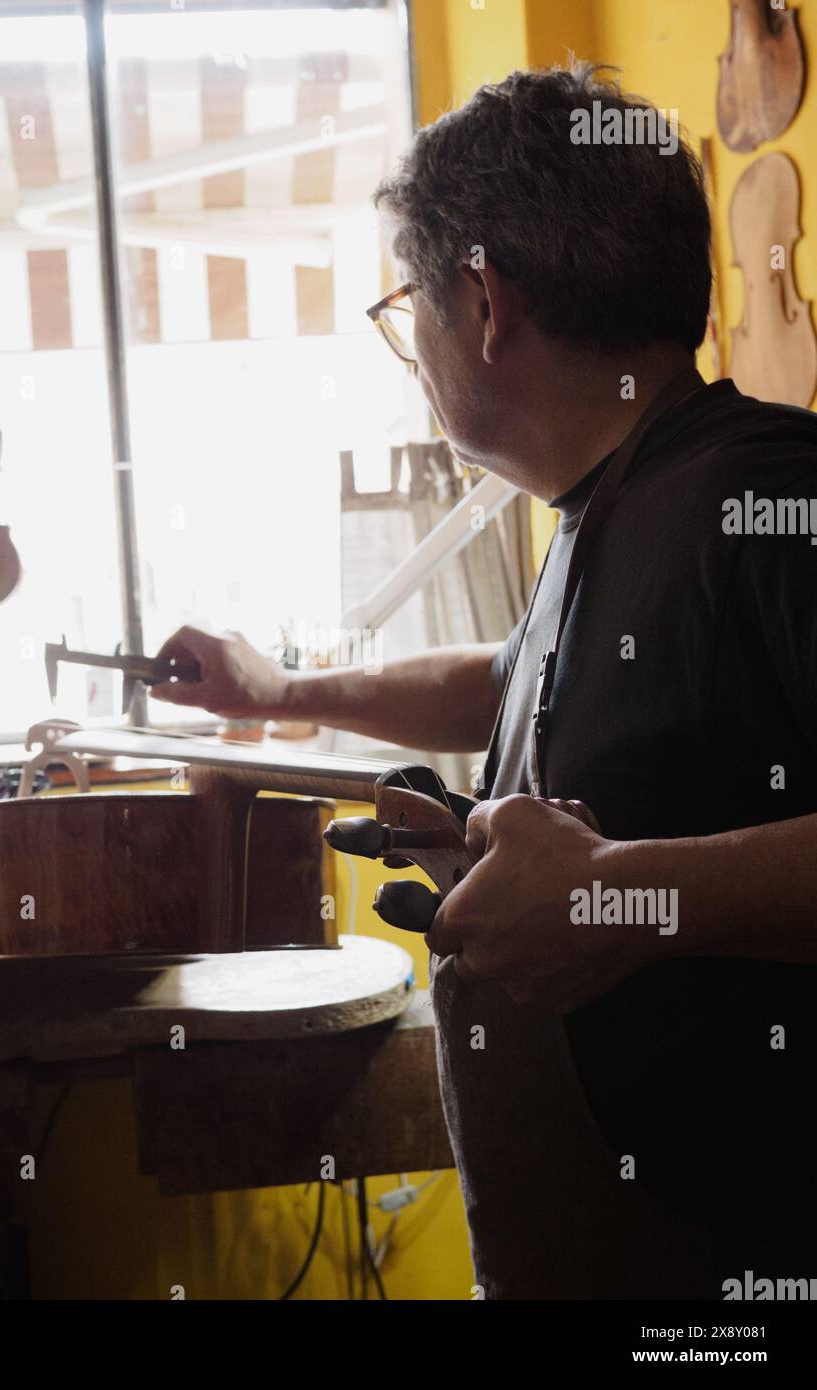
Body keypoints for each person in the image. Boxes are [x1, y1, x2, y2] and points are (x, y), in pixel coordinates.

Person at [152, 64, 817, 1298]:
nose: (413, 350)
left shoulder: (766, 503)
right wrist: (277, 692)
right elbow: (505, 681)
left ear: (483, 300)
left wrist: (617, 895)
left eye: (410, 308)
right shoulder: (604, 507)